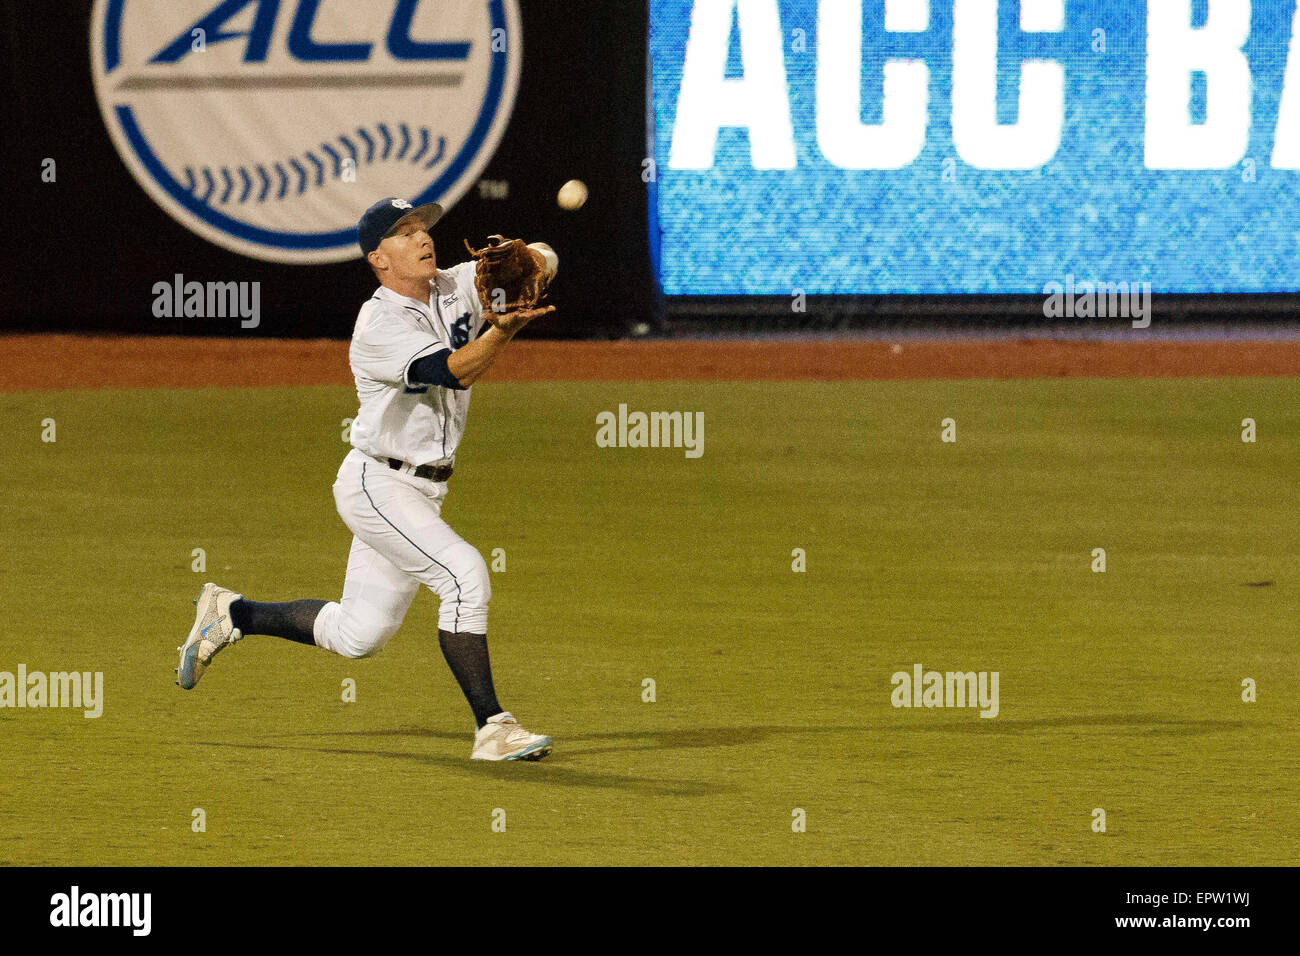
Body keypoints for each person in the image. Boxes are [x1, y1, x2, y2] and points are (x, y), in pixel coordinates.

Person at [176, 197, 557, 762]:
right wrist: (502, 331)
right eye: (404, 233)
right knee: (464, 576)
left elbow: (542, 261)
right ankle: (493, 727)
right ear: (379, 258)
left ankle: (232, 614)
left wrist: (534, 259)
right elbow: (452, 371)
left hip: (424, 491)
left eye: (423, 227)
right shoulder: (377, 325)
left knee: (359, 635)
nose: (422, 238)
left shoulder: (454, 285)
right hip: (378, 486)